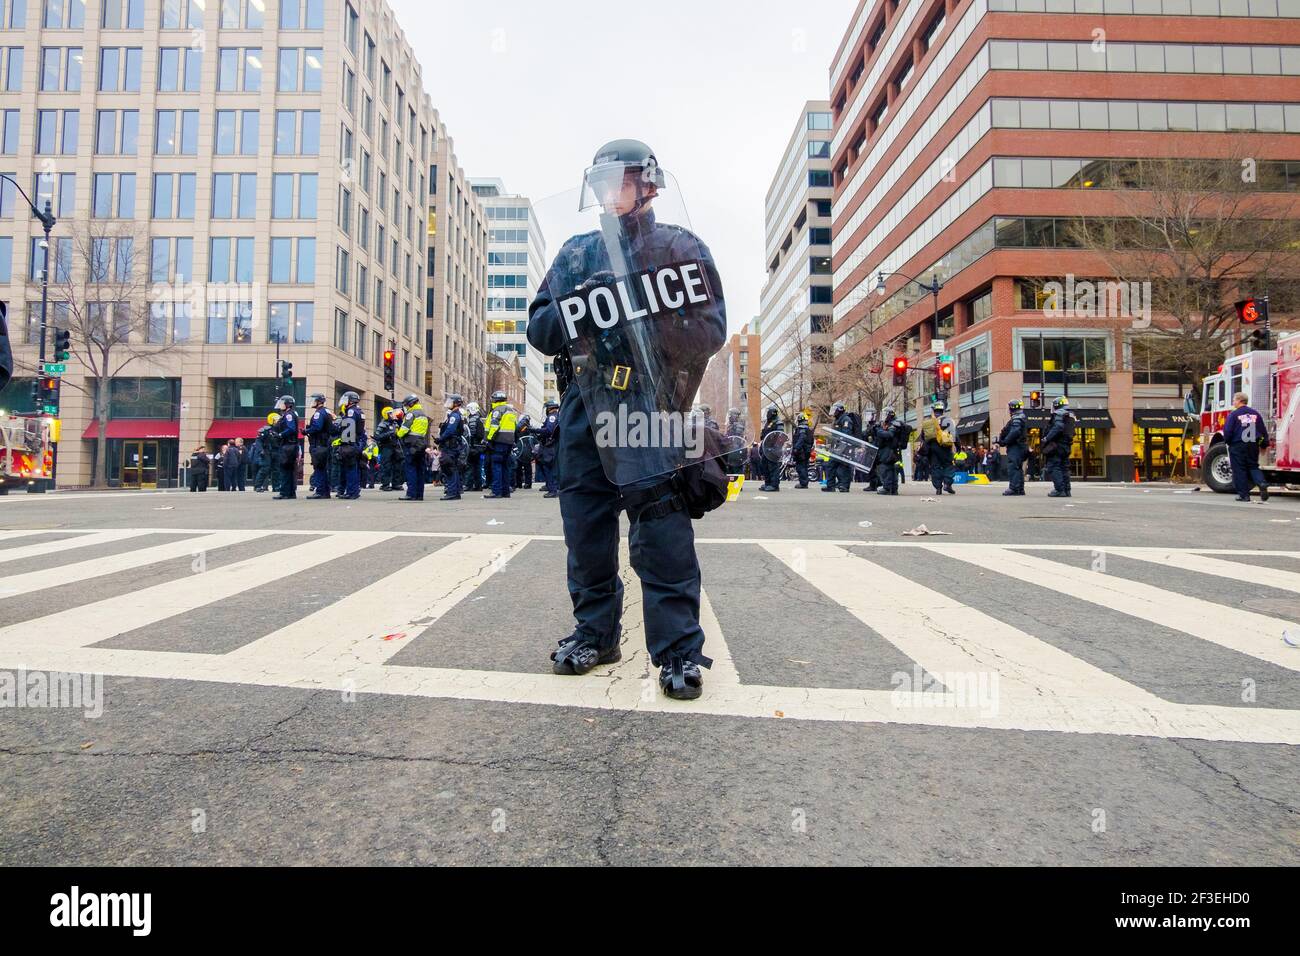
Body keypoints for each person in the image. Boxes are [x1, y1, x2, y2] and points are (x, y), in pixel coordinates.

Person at [525, 138, 726, 700]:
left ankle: (680, 651)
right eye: (603, 185)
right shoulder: (574, 254)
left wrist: (639, 306)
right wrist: (578, 309)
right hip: (585, 408)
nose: (609, 195)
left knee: (660, 527)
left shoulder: (679, 248)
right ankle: (596, 633)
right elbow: (539, 332)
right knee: (585, 528)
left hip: (646, 404)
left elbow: (709, 329)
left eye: (620, 182)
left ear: (649, 186)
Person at [1223, 391, 1270, 502]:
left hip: (1238, 445)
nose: (1233, 402)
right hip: (1252, 444)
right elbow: (1262, 430)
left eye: (1234, 400)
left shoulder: (1234, 415)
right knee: (1253, 466)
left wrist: (1228, 442)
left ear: (1239, 400)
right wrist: (1264, 444)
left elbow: (1228, 431)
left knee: (1239, 470)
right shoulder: (1255, 414)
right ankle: (1261, 483)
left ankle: (1244, 495)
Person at [394, 393, 429, 501]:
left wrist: (397, 433)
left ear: (410, 404)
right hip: (421, 443)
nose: (406, 407)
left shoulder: (411, 414)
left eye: (406, 405)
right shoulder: (423, 414)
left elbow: (404, 429)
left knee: (411, 469)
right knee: (420, 469)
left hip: (411, 444)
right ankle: (419, 494)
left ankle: (411, 494)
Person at [483, 390, 517, 499]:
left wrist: (489, 439)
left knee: (496, 466)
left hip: (498, 441)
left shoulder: (497, 410)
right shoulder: (510, 411)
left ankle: (496, 491)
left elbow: (494, 426)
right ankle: (505, 491)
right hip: (509, 442)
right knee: (505, 467)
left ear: (495, 399)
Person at [1041, 396, 1076, 498]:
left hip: (1057, 445)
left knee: (1053, 467)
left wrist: (1047, 438)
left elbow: (1058, 427)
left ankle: (1059, 490)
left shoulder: (1059, 413)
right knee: (1064, 468)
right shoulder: (1070, 414)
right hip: (1066, 445)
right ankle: (1066, 490)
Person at [334, 391, 366, 500]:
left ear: (350, 400)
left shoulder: (351, 412)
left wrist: (344, 443)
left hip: (350, 443)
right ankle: (354, 491)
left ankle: (351, 492)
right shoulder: (359, 411)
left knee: (350, 468)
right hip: (357, 442)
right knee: (354, 468)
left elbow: (348, 428)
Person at [303, 393, 334, 499]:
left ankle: (320, 491)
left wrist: (306, 431)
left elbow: (317, 427)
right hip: (325, 443)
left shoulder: (319, 413)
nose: (312, 402)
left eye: (314, 400)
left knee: (319, 468)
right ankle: (325, 491)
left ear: (319, 401)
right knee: (323, 468)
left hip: (319, 444)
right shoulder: (326, 411)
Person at [823, 401, 859, 493]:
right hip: (837, 447)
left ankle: (844, 486)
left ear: (840, 410)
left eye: (835, 410)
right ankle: (830, 486)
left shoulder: (846, 419)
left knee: (844, 467)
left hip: (845, 447)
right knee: (830, 465)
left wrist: (839, 443)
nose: (834, 412)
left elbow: (846, 434)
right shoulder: (837, 420)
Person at [922, 401, 956, 495]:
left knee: (935, 467)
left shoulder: (928, 421)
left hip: (932, 448)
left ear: (934, 410)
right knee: (949, 465)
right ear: (943, 410)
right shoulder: (948, 420)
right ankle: (947, 484)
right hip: (945, 447)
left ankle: (938, 488)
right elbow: (954, 435)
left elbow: (922, 436)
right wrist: (958, 447)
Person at [437, 393, 466, 501]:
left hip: (450, 446)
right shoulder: (455, 414)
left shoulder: (454, 415)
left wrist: (441, 439)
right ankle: (455, 492)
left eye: (451, 401)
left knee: (449, 467)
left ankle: (452, 492)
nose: (448, 404)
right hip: (453, 445)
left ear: (456, 403)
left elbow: (450, 430)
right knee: (453, 468)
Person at [870, 407, 905, 495]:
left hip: (889, 450)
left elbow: (889, 434)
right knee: (891, 469)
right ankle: (893, 489)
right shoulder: (889, 423)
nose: (884, 416)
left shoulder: (894, 424)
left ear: (890, 414)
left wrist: (879, 431)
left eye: (885, 414)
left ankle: (887, 488)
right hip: (889, 450)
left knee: (885, 468)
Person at [998, 399, 1029, 496]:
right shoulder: (1020, 417)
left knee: (1013, 467)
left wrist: (1005, 441)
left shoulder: (1017, 418)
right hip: (1020, 446)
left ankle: (1014, 488)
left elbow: (1015, 432)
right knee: (1018, 467)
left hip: (1016, 446)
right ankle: (1019, 488)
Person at [271, 396, 300, 499]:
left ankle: (284, 492)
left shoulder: (288, 415)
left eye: (282, 403)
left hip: (288, 445)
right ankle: (291, 492)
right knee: (289, 469)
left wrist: (280, 435)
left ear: (287, 404)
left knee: (285, 469)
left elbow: (291, 429)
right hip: (291, 445)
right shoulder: (290, 414)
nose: (280, 405)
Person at [537, 399, 560, 498]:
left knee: (548, 467)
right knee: (553, 468)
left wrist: (535, 430)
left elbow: (549, 430)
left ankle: (552, 490)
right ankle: (554, 489)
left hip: (551, 446)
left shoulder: (552, 417)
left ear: (550, 408)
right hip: (553, 445)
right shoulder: (556, 416)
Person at [759, 406, 784, 492]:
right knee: (765, 466)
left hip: (773, 449)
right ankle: (768, 483)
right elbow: (764, 435)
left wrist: (775, 448)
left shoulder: (778, 423)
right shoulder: (768, 423)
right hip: (766, 449)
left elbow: (780, 436)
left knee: (773, 467)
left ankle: (774, 485)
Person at [465, 401, 486, 491]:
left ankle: (469, 484)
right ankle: (478, 485)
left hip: (473, 446)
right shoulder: (480, 419)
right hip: (479, 447)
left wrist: (470, 445)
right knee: (477, 466)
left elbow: (472, 434)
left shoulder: (473, 420)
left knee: (470, 466)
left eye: (469, 410)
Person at [791, 413, 813, 488]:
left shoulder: (802, 429)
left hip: (801, 452)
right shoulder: (808, 429)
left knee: (801, 467)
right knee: (804, 466)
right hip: (806, 451)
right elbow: (811, 441)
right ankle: (803, 482)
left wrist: (796, 448)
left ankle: (803, 483)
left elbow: (801, 439)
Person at [514, 415, 537, 489]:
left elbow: (515, 437)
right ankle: (528, 484)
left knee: (518, 468)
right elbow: (535, 439)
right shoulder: (529, 427)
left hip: (520, 449)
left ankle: (518, 483)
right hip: (528, 450)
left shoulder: (518, 427)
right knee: (528, 468)